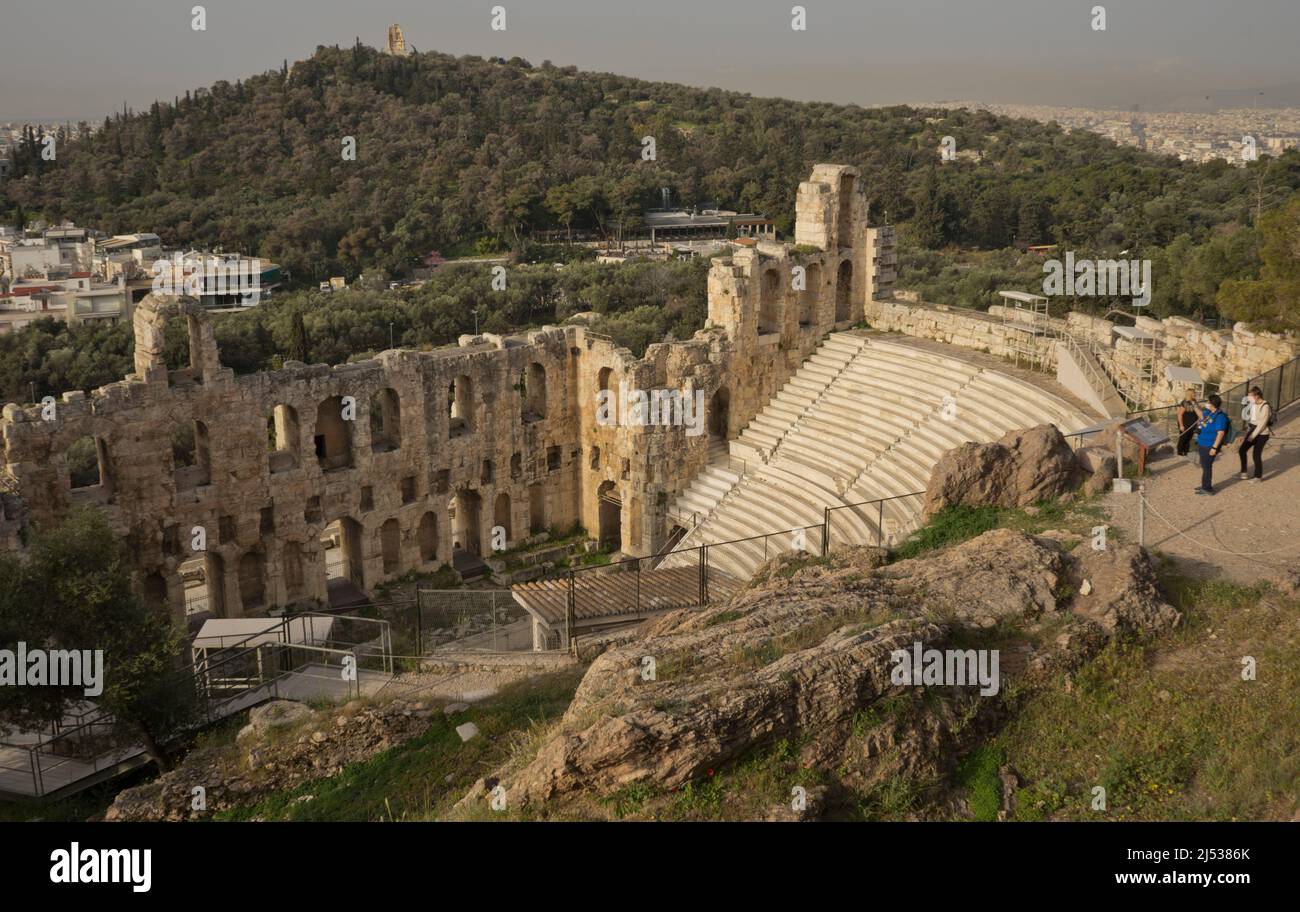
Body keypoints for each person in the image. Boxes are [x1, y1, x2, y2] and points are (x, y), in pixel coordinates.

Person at [1194, 394, 1230, 495]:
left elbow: (1221, 433)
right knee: (1204, 465)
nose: (1206, 404)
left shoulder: (1220, 417)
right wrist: (1194, 404)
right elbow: (1200, 414)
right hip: (1203, 443)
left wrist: (1214, 447)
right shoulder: (1209, 413)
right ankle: (1205, 485)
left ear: (1212, 404)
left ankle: (1207, 489)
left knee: (1207, 466)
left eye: (1208, 402)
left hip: (1210, 444)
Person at [1237, 386, 1272, 483]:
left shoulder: (1265, 406)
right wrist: (1247, 434)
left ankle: (1258, 477)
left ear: (1257, 396)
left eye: (1250, 396)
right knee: (1242, 450)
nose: (1249, 398)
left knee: (1256, 454)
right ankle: (1244, 472)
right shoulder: (1253, 405)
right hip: (1252, 431)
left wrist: (1252, 436)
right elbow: (1252, 421)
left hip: (1262, 434)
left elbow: (1262, 424)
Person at [1176, 388, 1199, 457]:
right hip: (1185, 424)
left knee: (1189, 438)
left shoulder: (1194, 401)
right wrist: (1181, 426)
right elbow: (1179, 415)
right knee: (1183, 438)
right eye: (1194, 393)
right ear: (1190, 394)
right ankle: (1180, 452)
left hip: (1192, 424)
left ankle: (1186, 452)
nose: (1195, 394)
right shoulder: (1184, 403)